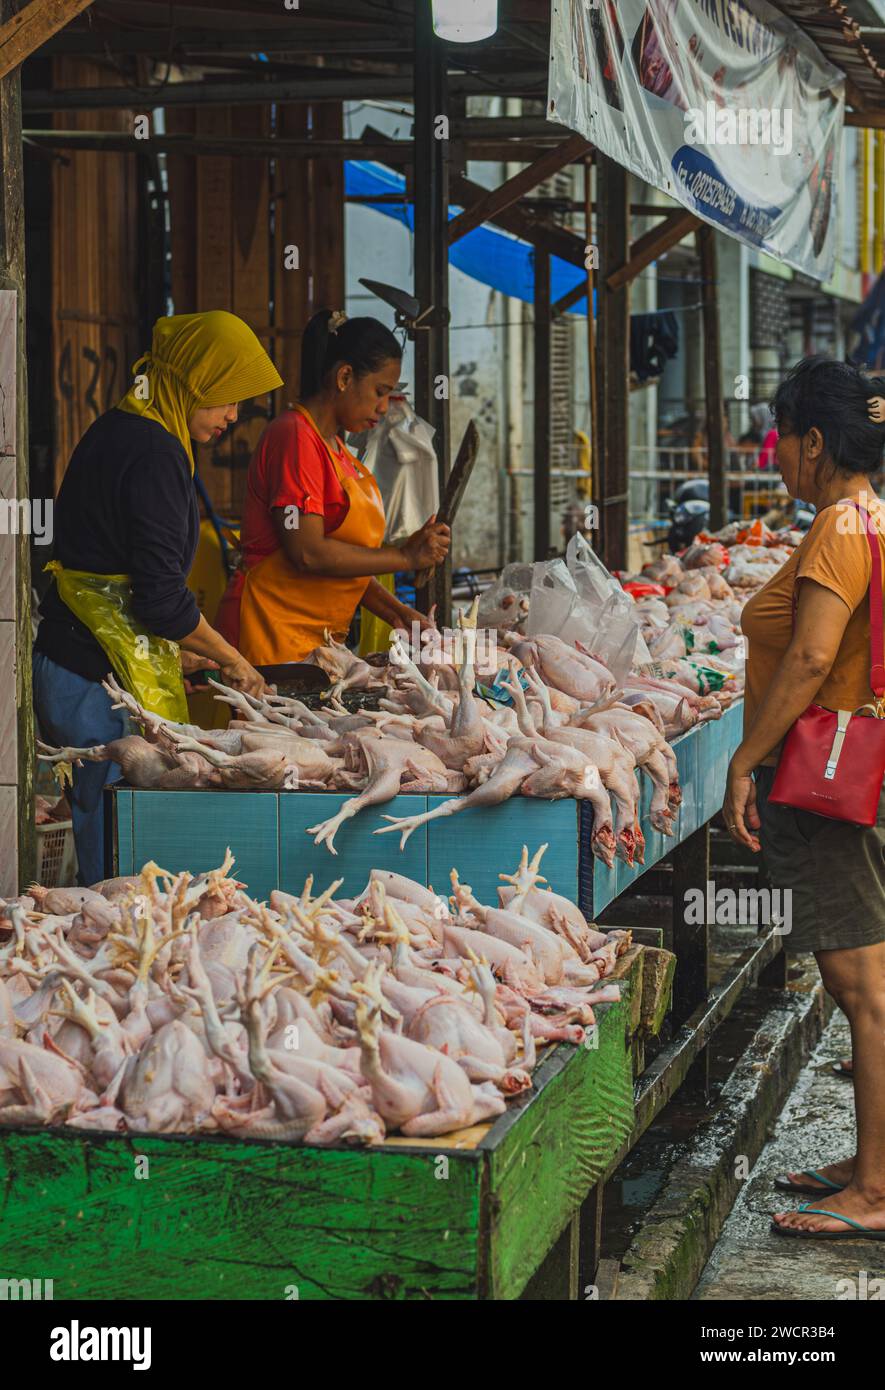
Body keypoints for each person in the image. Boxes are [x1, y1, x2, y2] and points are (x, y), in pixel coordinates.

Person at [722, 357, 885, 1241]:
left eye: (783, 438)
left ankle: (873, 1192)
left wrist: (742, 760)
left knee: (861, 987)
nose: (777, 455)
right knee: (864, 981)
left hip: (820, 779)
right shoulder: (867, 516)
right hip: (844, 769)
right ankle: (871, 1165)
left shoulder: (836, 525)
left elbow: (812, 658)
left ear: (814, 442)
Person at [34, 310, 282, 885]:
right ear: (192, 383)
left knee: (104, 828)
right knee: (117, 854)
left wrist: (182, 654)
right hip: (88, 675)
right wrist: (232, 658)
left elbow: (113, 569)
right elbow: (163, 602)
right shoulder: (155, 453)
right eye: (225, 398)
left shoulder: (124, 427)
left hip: (79, 660)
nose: (233, 416)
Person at [215, 309, 449, 665]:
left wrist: (397, 613)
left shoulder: (338, 451)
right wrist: (403, 556)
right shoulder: (293, 437)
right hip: (268, 634)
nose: (384, 407)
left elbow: (340, 562)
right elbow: (307, 552)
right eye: (379, 391)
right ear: (344, 377)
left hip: (312, 642)